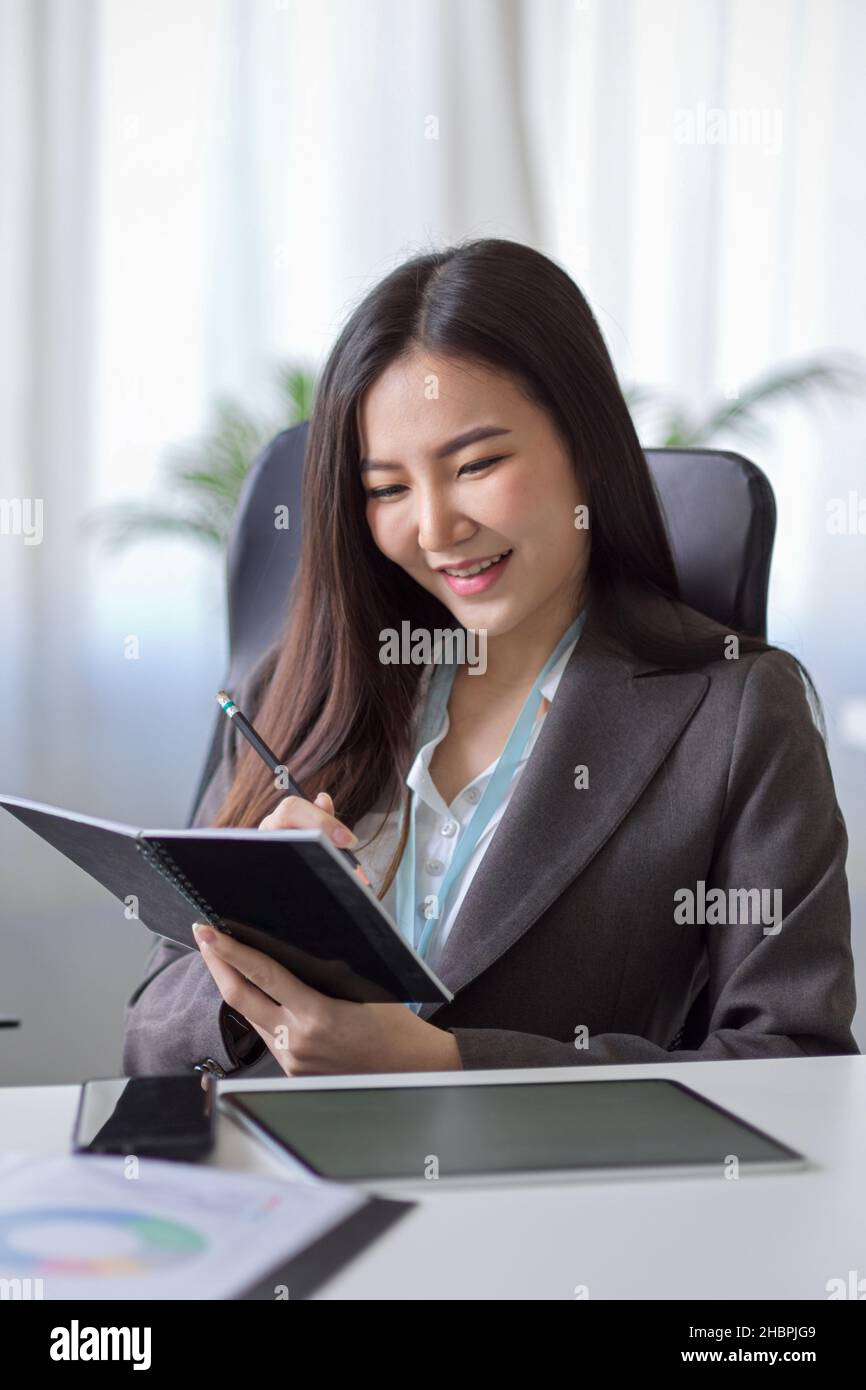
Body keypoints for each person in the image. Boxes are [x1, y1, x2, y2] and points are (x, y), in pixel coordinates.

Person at [122, 237, 858, 1079]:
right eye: (389, 489)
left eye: (476, 464)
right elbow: (149, 1034)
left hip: (553, 1205)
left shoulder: (733, 715)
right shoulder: (303, 685)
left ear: (585, 445)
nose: (436, 530)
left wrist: (452, 1064)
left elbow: (798, 1065)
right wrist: (255, 938)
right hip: (286, 1193)